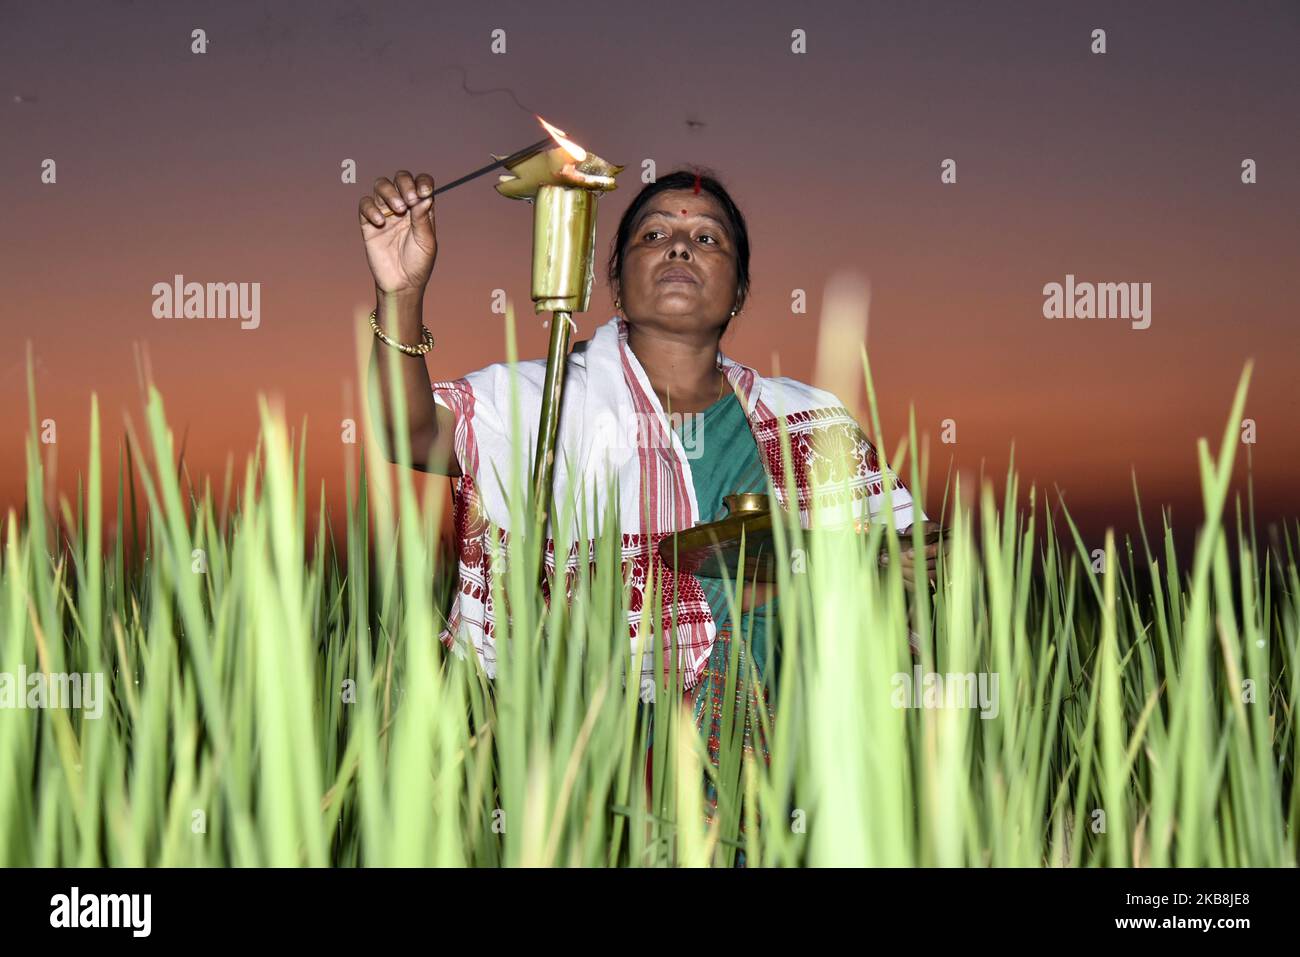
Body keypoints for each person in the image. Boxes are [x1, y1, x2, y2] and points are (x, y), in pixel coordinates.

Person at [358, 166, 940, 822]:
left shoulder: (809, 419)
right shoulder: (546, 399)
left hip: (786, 779)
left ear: (740, 290)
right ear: (613, 282)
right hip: (600, 779)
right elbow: (405, 433)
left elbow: (912, 565)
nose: (680, 246)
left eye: (708, 239)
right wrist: (400, 292)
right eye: (654, 234)